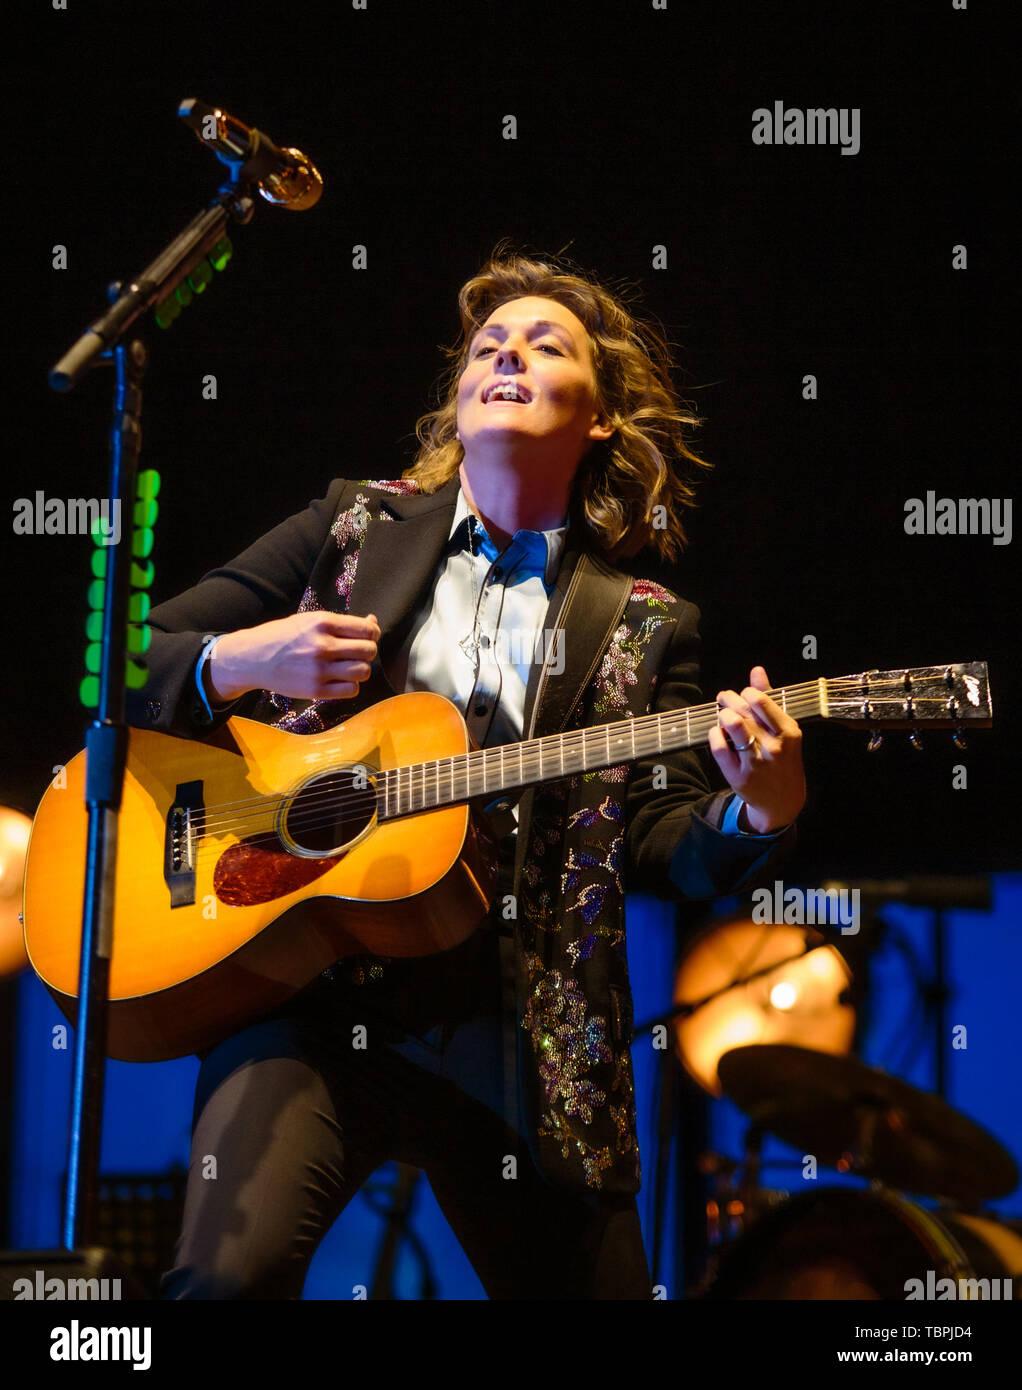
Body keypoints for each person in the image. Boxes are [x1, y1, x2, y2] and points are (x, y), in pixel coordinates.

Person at [129, 248, 806, 1300]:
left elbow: (664, 845)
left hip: (521, 1028)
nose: (508, 354)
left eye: (545, 346)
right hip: (311, 989)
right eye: (488, 345)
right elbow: (120, 666)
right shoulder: (348, 528)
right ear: (457, 398)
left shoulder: (645, 624)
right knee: (225, 1285)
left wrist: (757, 808)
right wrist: (244, 659)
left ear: (599, 421)